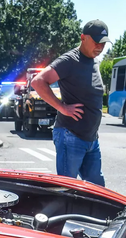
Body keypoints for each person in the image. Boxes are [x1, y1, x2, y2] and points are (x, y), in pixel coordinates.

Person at [30, 19, 109, 186]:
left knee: (98, 189)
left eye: (103, 44)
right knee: (68, 189)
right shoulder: (70, 60)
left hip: (91, 139)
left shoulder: (93, 61)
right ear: (83, 38)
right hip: (71, 135)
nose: (100, 47)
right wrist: (62, 107)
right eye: (96, 42)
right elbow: (38, 82)